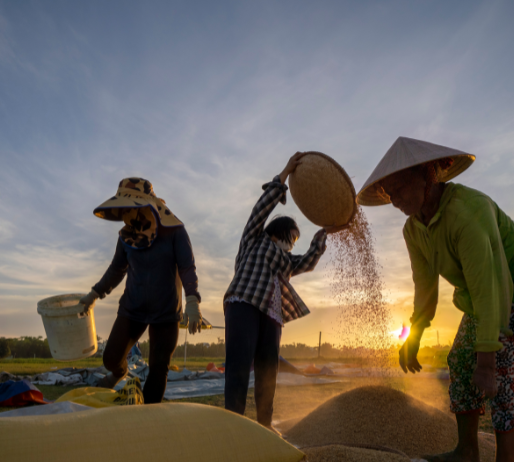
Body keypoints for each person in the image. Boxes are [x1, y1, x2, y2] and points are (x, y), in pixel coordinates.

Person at [357, 137, 514, 462]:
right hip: (484, 292)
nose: (395, 200)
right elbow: (424, 287)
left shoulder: (467, 212)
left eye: (400, 188)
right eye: (388, 194)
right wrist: (413, 336)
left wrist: (487, 361)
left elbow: (490, 284)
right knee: (461, 359)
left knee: (508, 371)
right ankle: (467, 453)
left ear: (429, 175)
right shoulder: (414, 230)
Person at [224, 152, 349, 430]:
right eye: (291, 236)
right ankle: (232, 426)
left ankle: (264, 427)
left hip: (271, 316)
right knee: (239, 366)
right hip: (244, 303)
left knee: (269, 371)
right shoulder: (254, 240)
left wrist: (325, 233)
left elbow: (307, 262)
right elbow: (261, 208)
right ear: (276, 232)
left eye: (295, 240)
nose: (293, 243)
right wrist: (284, 173)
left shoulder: (286, 261)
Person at [78, 177, 206, 404]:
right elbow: (117, 269)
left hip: (166, 311)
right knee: (111, 358)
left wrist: (192, 300)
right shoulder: (126, 237)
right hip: (133, 308)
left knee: (159, 368)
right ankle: (120, 374)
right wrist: (94, 294)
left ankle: (148, 416)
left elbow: (187, 267)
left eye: (130, 207)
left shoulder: (174, 230)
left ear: (147, 204)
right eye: (123, 209)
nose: (125, 214)